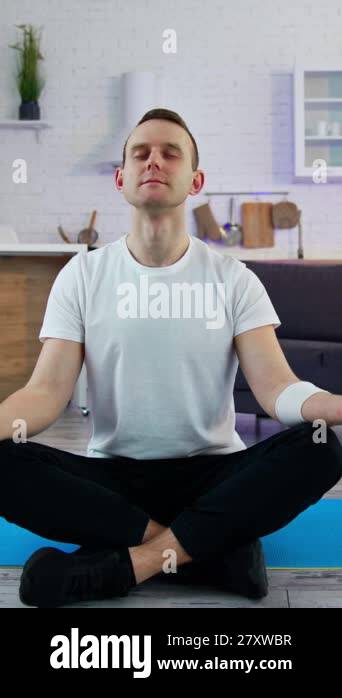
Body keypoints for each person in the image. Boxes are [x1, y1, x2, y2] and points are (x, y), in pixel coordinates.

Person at [1, 108, 342, 609]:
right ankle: (210, 553)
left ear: (195, 179)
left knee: (322, 447)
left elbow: (275, 389)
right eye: (140, 153)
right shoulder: (81, 276)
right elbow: (45, 394)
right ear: (121, 179)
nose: (153, 161)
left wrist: (333, 405)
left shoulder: (234, 279)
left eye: (170, 152)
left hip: (212, 476)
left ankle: (132, 563)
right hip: (114, 486)